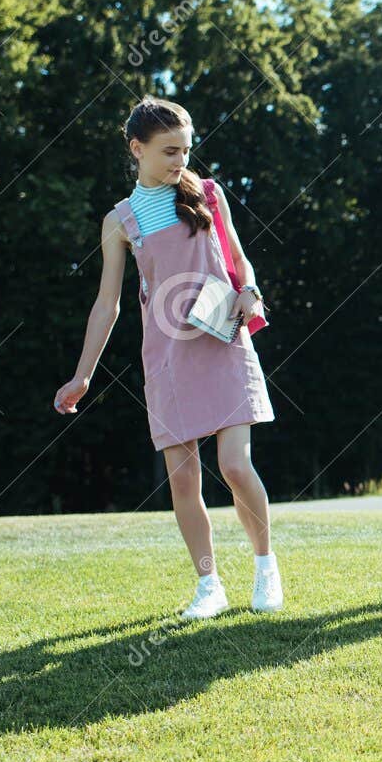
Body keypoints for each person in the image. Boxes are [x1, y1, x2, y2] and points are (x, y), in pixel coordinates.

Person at [54, 97, 281, 620]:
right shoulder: (119, 221)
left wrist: (252, 294)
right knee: (182, 479)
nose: (181, 160)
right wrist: (82, 375)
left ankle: (266, 567)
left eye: (186, 149)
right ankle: (209, 586)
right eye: (169, 151)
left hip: (222, 339)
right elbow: (107, 305)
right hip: (167, 357)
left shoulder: (209, 194)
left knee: (233, 464)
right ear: (137, 149)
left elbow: (240, 264)